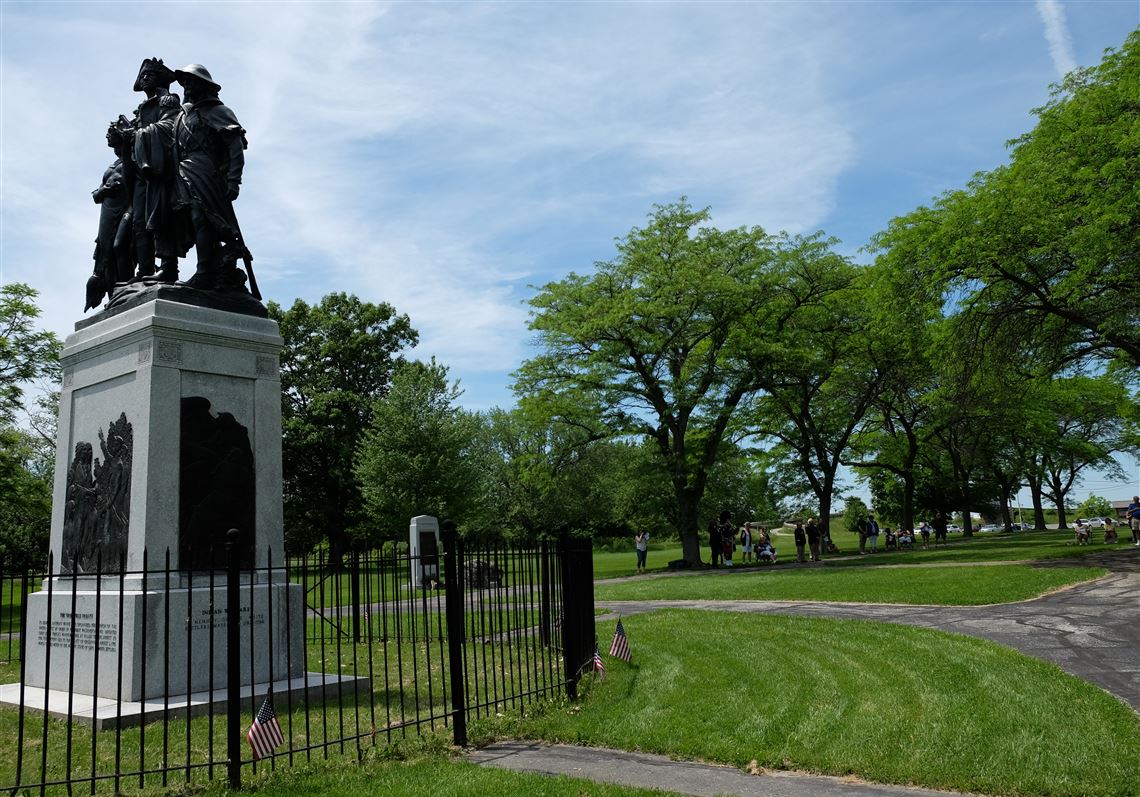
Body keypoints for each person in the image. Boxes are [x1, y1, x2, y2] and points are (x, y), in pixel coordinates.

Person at [170, 64, 250, 291]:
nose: (186, 86)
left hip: (206, 172)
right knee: (191, 220)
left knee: (203, 218)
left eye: (191, 81)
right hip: (184, 171)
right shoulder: (183, 116)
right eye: (184, 82)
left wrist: (234, 180)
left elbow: (235, 147)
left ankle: (205, 271)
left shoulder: (218, 111)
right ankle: (209, 267)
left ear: (204, 85)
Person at [125, 57, 181, 282]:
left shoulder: (168, 100)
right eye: (143, 76)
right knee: (139, 221)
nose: (145, 79)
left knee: (161, 217)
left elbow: (170, 127)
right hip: (139, 171)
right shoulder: (139, 109)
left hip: (160, 168)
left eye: (150, 75)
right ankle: (145, 270)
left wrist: (141, 134)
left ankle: (169, 268)